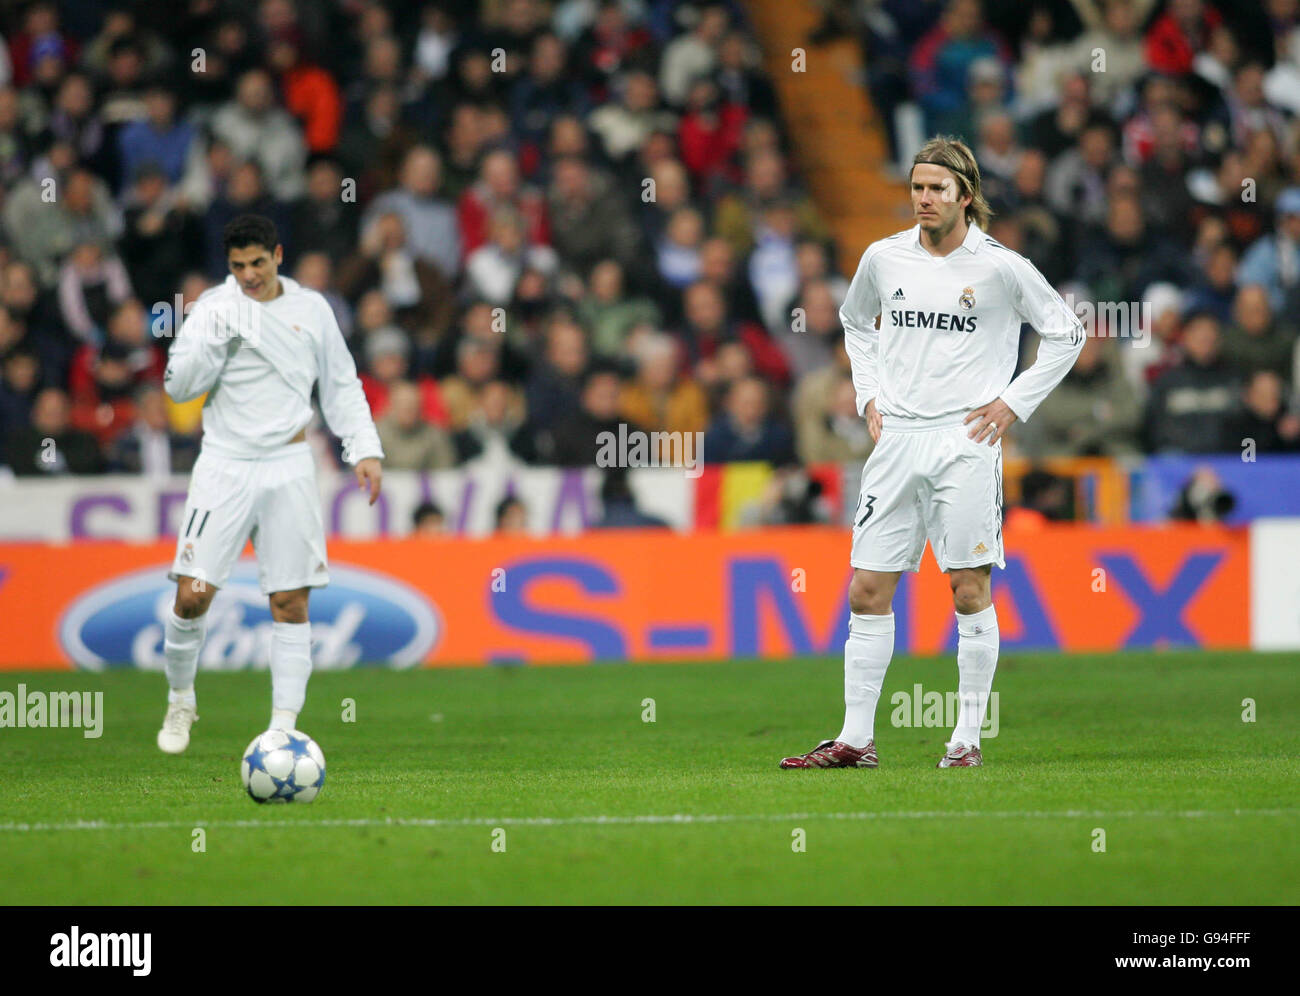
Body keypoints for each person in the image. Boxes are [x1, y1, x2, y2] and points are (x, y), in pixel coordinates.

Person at [780, 136, 1084, 771]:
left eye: (936, 188)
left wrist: (1012, 405)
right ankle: (856, 740)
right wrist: (868, 398)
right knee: (866, 589)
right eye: (917, 187)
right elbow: (857, 323)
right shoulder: (884, 259)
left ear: (966, 197)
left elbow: (1066, 332)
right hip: (896, 440)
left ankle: (966, 739)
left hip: (965, 440)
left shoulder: (1001, 267)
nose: (923, 198)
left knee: (968, 588)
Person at [157, 214, 384, 755]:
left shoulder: (312, 310)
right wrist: (215, 342)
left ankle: (283, 727)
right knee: (192, 597)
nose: (249, 275)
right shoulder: (214, 310)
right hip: (225, 465)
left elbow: (341, 384)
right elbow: (177, 384)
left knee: (289, 601)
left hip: (288, 465)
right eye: (238, 267)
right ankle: (180, 701)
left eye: (257, 263)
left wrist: (365, 449)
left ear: (278, 255)